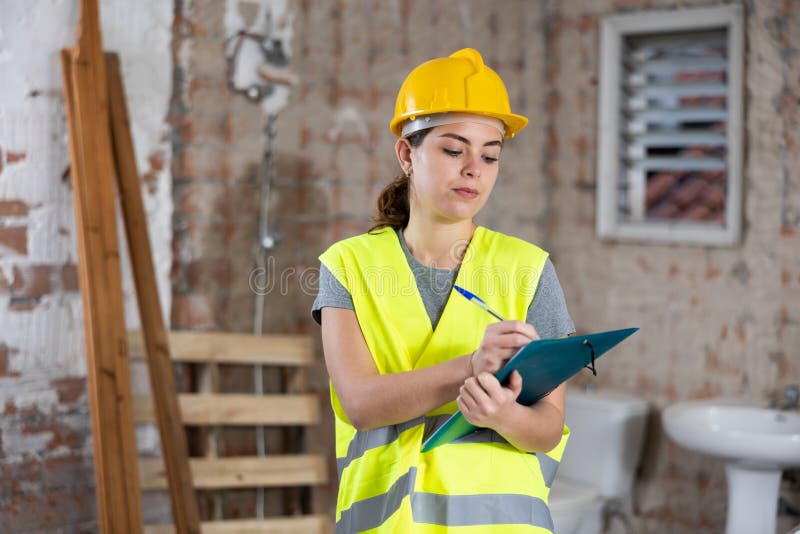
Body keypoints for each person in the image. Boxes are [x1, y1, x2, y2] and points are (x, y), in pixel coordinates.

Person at [311, 48, 575, 533]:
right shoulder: (348, 266)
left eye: (490, 155)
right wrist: (471, 369)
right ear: (408, 153)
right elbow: (361, 405)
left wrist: (503, 416)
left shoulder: (528, 269)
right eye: (454, 150)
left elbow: (547, 427)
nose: (474, 168)